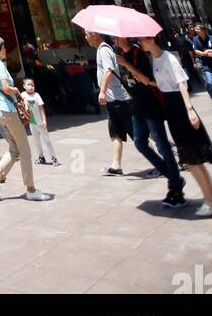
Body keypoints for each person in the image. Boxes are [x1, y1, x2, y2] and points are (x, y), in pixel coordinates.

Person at [133, 34, 212, 217]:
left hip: (179, 106)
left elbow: (181, 83)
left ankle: (208, 200)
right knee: (193, 160)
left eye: (142, 40)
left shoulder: (168, 57)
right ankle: (209, 198)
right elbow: (162, 85)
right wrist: (146, 81)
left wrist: (190, 109)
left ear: (151, 39)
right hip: (170, 107)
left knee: (193, 159)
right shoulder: (154, 59)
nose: (140, 43)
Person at [114, 38, 184, 208]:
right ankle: (172, 175)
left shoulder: (138, 53)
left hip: (150, 104)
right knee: (139, 143)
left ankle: (175, 186)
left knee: (161, 144)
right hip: (137, 106)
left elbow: (146, 80)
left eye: (116, 36)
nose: (114, 39)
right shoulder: (122, 54)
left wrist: (126, 64)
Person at [0, 36, 49, 200]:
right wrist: (15, 90)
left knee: (14, 149)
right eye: (3, 47)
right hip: (8, 111)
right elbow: (6, 88)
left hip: (1, 111)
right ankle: (30, 189)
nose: (5, 50)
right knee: (25, 150)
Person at [87, 31, 133, 175]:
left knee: (139, 135)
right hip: (113, 100)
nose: (85, 38)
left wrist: (102, 91)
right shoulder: (101, 49)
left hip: (119, 99)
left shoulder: (104, 49)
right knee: (115, 133)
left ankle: (162, 161)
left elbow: (108, 70)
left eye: (86, 34)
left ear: (94, 35)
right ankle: (116, 165)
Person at [21, 79, 59, 167]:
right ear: (24, 86)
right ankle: (41, 157)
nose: (31, 87)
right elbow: (20, 101)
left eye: (32, 85)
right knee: (36, 141)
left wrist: (44, 120)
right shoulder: (23, 94)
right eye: (28, 85)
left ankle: (54, 158)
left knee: (47, 140)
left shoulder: (36, 95)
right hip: (32, 123)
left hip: (40, 123)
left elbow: (41, 109)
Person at [191, 22, 212, 102]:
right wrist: (203, 53)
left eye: (198, 29)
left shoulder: (210, 38)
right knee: (209, 82)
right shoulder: (195, 39)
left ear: (203, 30)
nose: (196, 30)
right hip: (205, 65)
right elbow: (195, 50)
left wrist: (208, 50)